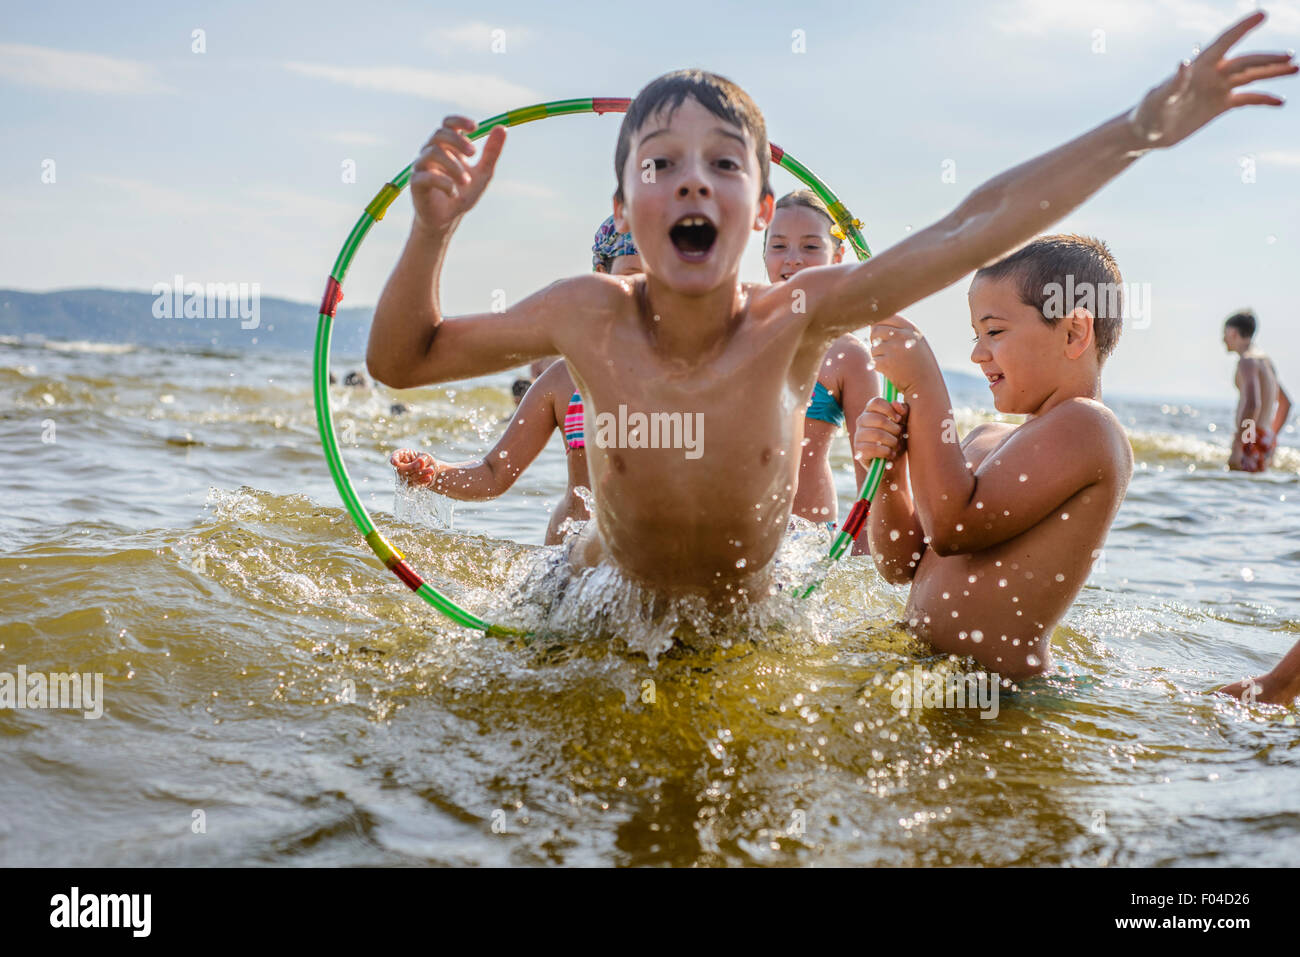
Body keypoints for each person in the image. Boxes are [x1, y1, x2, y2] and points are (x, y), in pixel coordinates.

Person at [366, 16, 1294, 612]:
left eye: (726, 162)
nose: (694, 174)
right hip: (603, 599)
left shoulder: (798, 321)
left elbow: (974, 224)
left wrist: (1138, 128)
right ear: (622, 209)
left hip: (751, 618)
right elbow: (403, 361)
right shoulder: (586, 315)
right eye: (661, 162)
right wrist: (431, 232)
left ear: (764, 211)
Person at [854, 236, 1133, 678]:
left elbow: (953, 528)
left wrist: (925, 385)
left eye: (995, 332)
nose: (977, 354)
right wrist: (888, 470)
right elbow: (899, 565)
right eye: (975, 335)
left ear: (1075, 332)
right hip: (922, 670)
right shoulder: (984, 437)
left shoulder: (1090, 428)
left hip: (996, 698)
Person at [390, 219, 643, 545]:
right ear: (600, 273)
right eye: (631, 277)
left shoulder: (696, 375)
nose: (645, 292)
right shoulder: (562, 381)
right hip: (568, 556)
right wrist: (433, 471)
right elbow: (493, 474)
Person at [762, 190, 876, 530]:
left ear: (838, 255)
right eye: (779, 245)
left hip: (806, 543)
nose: (793, 259)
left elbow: (870, 485)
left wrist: (862, 555)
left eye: (811, 247)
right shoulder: (735, 334)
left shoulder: (849, 356)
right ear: (764, 252)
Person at [1223, 309, 1290, 472]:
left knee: (1237, 491)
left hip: (1250, 440)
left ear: (1232, 332)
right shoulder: (1264, 360)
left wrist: (1239, 446)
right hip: (1263, 437)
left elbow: (1253, 404)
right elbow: (1285, 403)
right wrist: (1270, 437)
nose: (1223, 339)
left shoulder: (1247, 361)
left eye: (1224, 334)